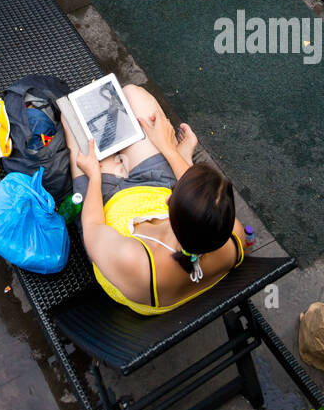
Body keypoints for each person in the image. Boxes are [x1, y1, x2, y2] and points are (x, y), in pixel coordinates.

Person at [64, 84, 245, 315]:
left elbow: (92, 227)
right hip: (154, 186)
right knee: (132, 93)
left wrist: (95, 176)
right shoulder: (231, 238)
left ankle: (119, 165)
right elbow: (202, 207)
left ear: (170, 204)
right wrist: (168, 148)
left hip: (103, 209)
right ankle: (180, 153)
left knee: (71, 115)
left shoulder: (135, 263)